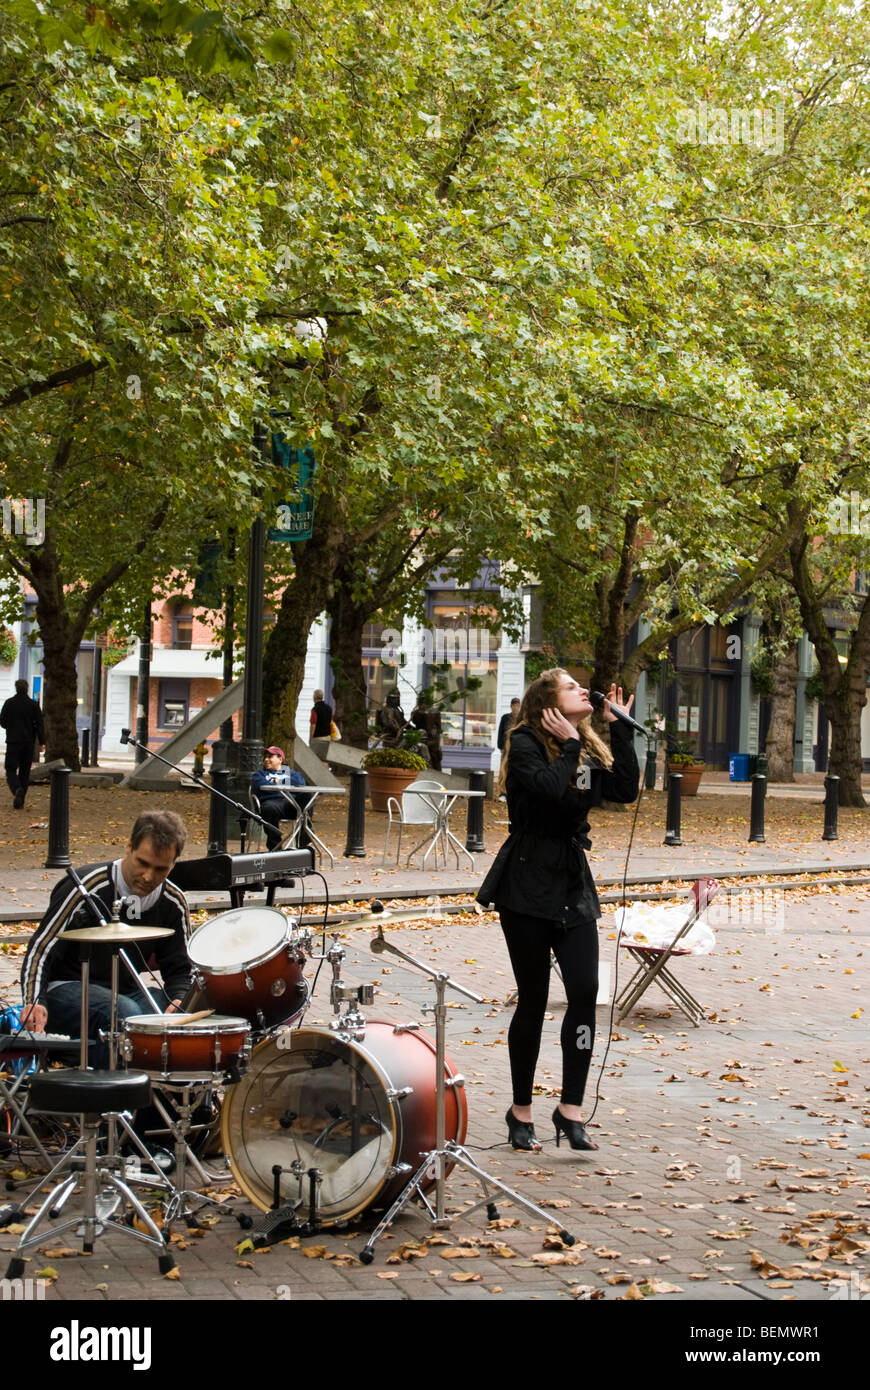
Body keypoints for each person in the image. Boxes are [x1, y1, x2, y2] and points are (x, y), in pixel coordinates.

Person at [477, 670, 639, 1153]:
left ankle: (570, 1108)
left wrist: (621, 730)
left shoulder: (583, 749)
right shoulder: (526, 742)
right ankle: (520, 1110)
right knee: (533, 999)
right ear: (548, 702)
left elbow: (623, 789)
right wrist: (570, 744)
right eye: (571, 687)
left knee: (585, 992)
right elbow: (548, 789)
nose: (582, 690)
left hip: (570, 881)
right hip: (526, 882)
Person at [21, 810, 192, 1067]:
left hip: (127, 992)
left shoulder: (173, 901)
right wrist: (34, 1001)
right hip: (65, 989)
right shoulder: (86, 886)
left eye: (161, 869)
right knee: (126, 1013)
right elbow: (42, 947)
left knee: (172, 1016)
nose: (148, 876)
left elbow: (181, 969)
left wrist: (179, 998)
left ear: (174, 864)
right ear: (128, 847)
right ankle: (107, 1086)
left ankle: (159, 1089)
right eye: (142, 863)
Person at [250, 747, 311, 850]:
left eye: (270, 756)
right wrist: (286, 785)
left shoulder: (291, 773)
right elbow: (260, 786)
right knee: (269, 808)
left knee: (307, 796)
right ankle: (275, 847)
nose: (266, 759)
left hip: (291, 805)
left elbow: (300, 784)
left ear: (280, 759)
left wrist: (278, 782)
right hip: (271, 803)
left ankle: (303, 838)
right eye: (265, 757)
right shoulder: (260, 774)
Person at [1, 678, 45, 809]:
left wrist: (11, 727)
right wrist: (42, 742)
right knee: (25, 771)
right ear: (27, 689)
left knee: (10, 769)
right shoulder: (33, 705)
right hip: (28, 742)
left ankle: (16, 788)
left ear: (16, 688)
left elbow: (2, 722)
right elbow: (40, 725)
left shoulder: (9, 703)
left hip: (13, 741)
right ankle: (20, 799)